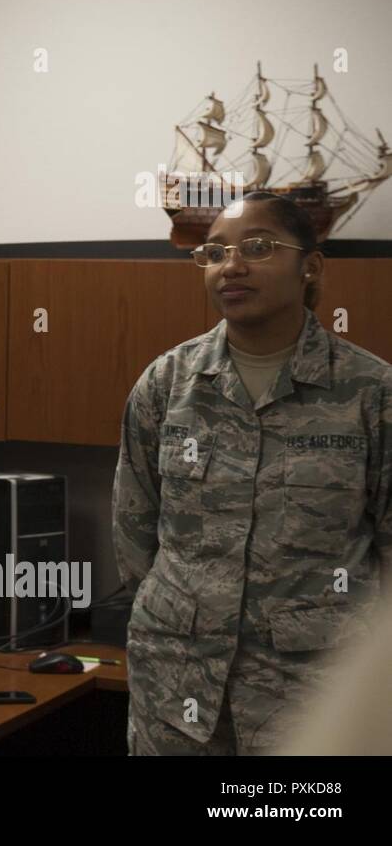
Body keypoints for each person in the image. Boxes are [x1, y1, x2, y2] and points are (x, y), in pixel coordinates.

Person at [112, 191, 392, 754]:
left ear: (310, 266)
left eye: (257, 248)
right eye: (214, 253)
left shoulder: (371, 393)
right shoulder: (167, 385)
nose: (230, 266)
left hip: (312, 702)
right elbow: (135, 529)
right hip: (175, 691)